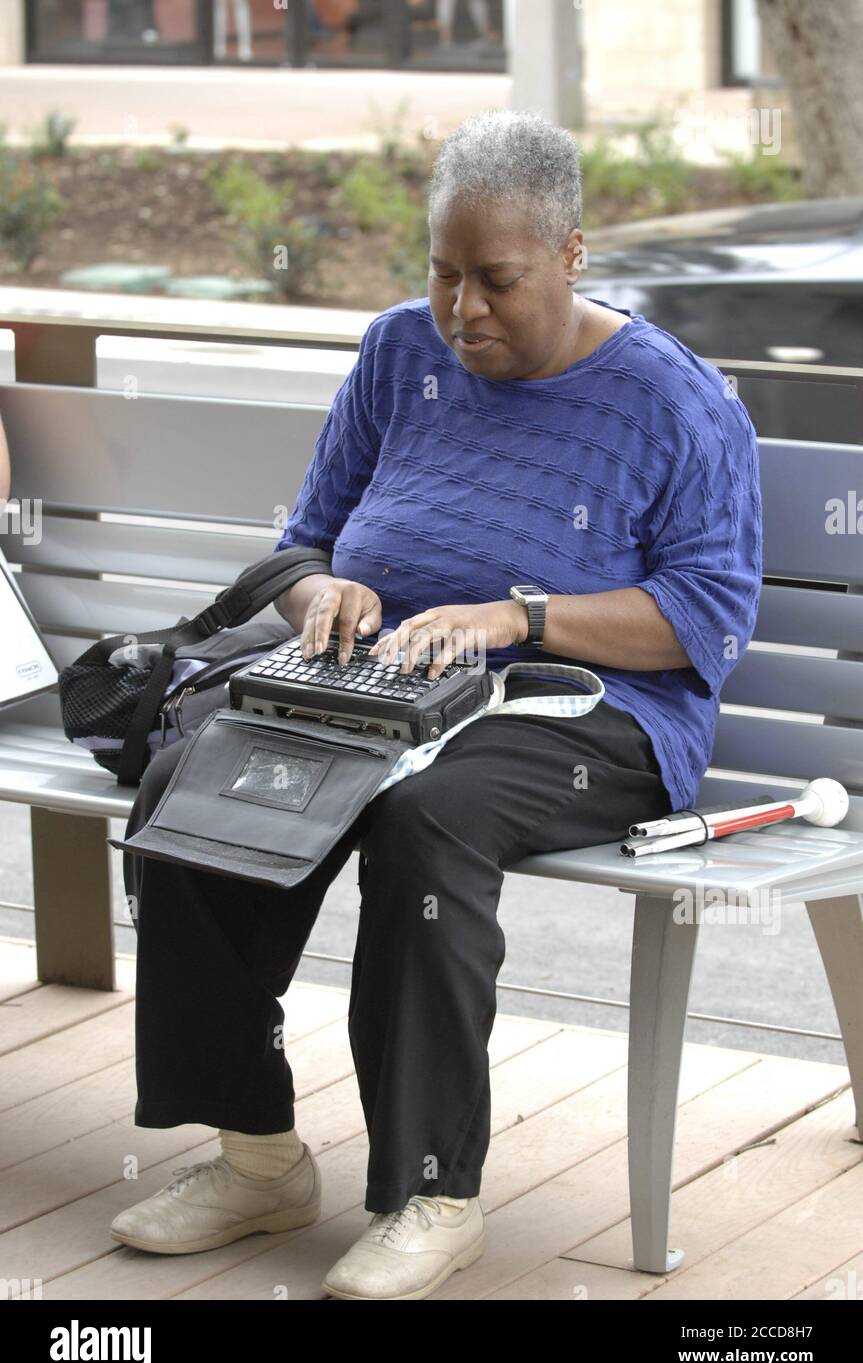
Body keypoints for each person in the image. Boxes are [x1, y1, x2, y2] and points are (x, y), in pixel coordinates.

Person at [112, 110, 762, 1301]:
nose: (463, 308)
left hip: (583, 712)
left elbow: (704, 618)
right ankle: (257, 1157)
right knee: (190, 781)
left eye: (497, 281)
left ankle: (431, 1191)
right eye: (443, 272)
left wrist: (518, 614)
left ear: (571, 255)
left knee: (428, 820)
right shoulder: (396, 352)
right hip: (376, 684)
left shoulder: (671, 401)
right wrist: (326, 586)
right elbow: (299, 541)